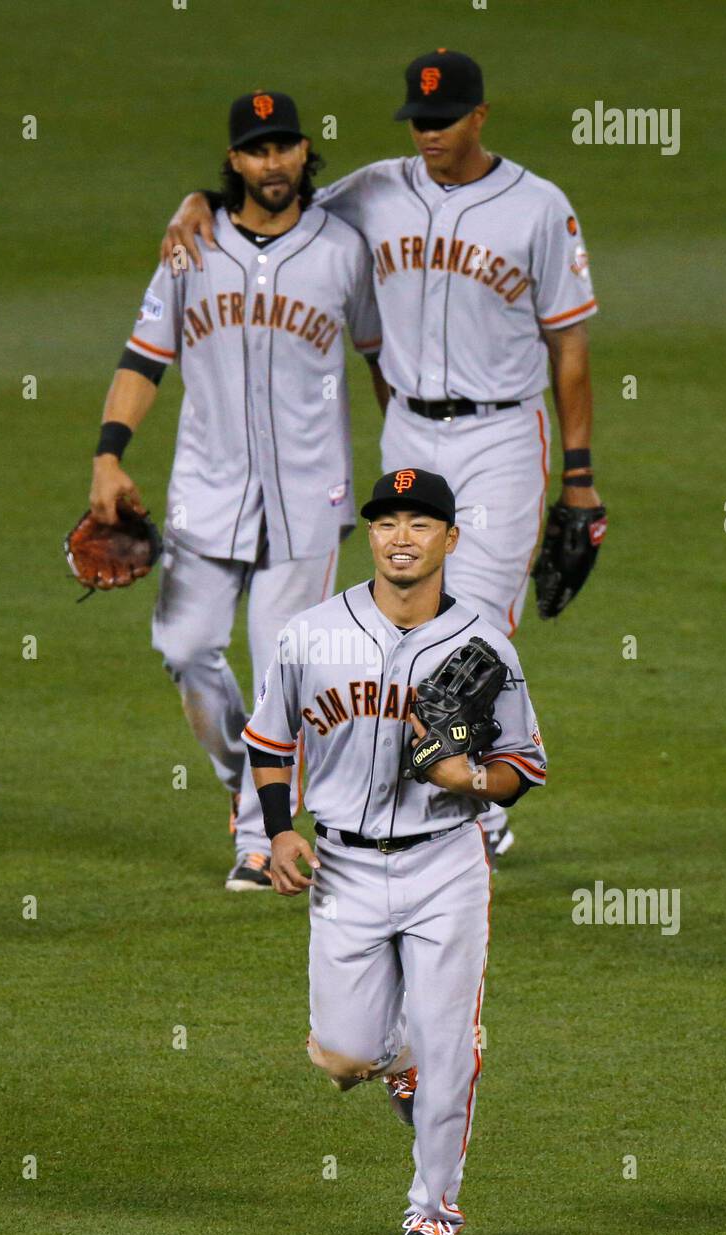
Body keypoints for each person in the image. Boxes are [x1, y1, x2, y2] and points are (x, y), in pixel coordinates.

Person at [160, 50, 601, 864]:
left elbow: (567, 345)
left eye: (441, 121)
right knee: (399, 625)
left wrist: (578, 479)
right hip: (406, 430)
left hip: (502, 435)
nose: (426, 135)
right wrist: (196, 202)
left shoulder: (538, 208)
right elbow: (272, 207)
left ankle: (475, 799)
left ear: (479, 116)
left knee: (465, 625)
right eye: (416, 122)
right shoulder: (373, 189)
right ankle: (428, 798)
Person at [242, 468, 546, 1235]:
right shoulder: (310, 634)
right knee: (341, 1055)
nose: (400, 536)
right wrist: (277, 831)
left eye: (419, 523)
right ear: (369, 536)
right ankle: (395, 1059)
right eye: (385, 522)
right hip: (341, 866)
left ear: (449, 538)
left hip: (446, 862)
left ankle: (433, 1207)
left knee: (452, 1048)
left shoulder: (484, 643)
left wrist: (467, 777)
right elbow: (270, 742)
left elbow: (523, 767)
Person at [89, 91, 384, 889]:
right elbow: (143, 357)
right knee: (184, 649)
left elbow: (379, 360)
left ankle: (260, 838)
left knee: (282, 670)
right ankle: (242, 779)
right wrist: (108, 457)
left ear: (304, 152)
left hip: (309, 497)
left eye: (284, 146)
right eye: (256, 150)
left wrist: (404, 468)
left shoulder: (343, 250)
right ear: (234, 161)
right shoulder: (190, 248)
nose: (273, 163)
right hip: (205, 494)